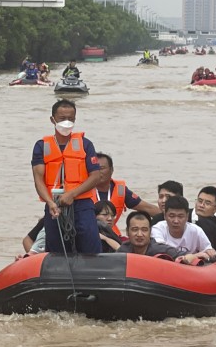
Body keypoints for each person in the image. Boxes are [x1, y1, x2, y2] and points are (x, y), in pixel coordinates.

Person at [32, 99, 104, 255]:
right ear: (52, 119)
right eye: (62, 118)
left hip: (82, 203)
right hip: (54, 205)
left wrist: (73, 194)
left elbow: (95, 176)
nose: (66, 122)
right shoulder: (41, 146)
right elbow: (38, 180)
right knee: (57, 249)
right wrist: (50, 202)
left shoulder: (86, 144)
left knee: (90, 245)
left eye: (70, 119)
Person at [92, 152, 160, 233]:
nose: (98, 172)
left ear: (111, 170)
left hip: (112, 234)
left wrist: (167, 220)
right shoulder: (82, 189)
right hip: (87, 233)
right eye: (94, 169)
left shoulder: (120, 189)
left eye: (102, 168)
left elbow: (148, 208)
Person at [151, 195, 215, 264]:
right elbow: (160, 250)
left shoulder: (196, 231)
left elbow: (208, 253)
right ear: (165, 216)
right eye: (171, 216)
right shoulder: (157, 229)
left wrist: (209, 253)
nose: (176, 221)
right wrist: (194, 256)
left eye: (180, 216)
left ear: (187, 217)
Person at [114, 211, 183, 259]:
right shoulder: (123, 250)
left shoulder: (161, 250)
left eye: (144, 230)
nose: (139, 234)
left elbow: (186, 257)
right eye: (135, 229)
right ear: (127, 232)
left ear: (150, 232)